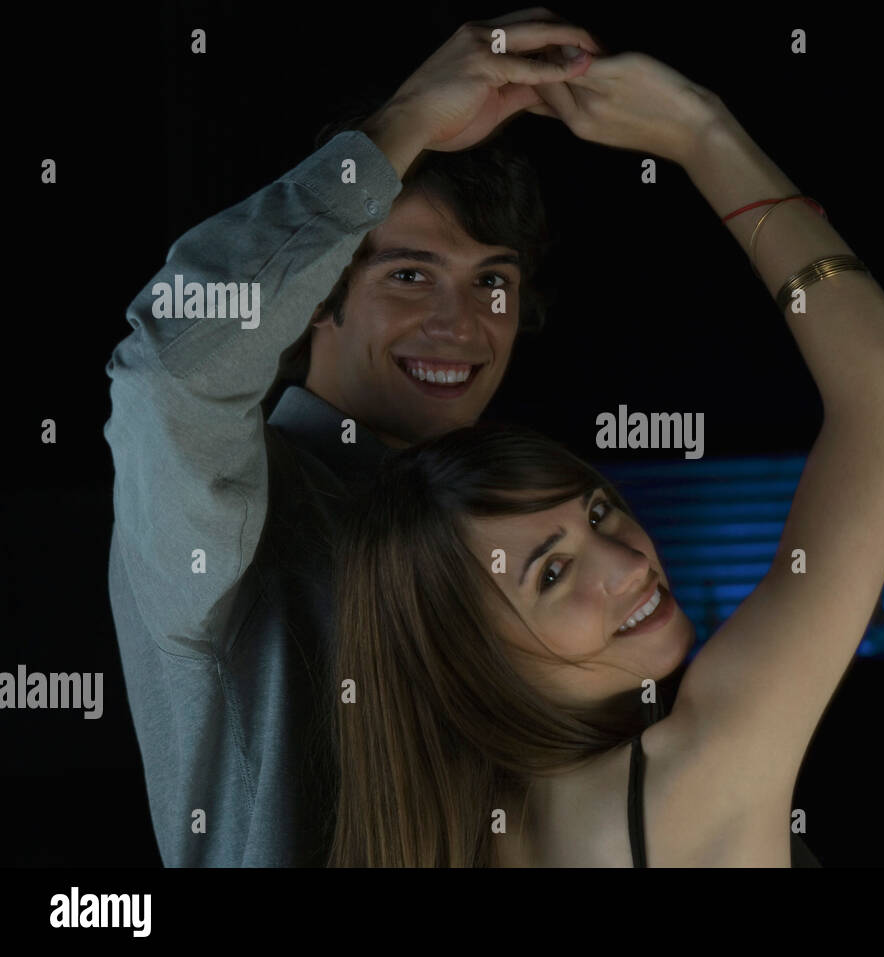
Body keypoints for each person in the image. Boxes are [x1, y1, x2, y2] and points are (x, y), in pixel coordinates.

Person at [328, 50, 884, 866]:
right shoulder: (685, 780)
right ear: (468, 665)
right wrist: (701, 130)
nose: (625, 562)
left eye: (597, 510)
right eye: (549, 573)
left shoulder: (440, 840)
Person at [102, 9, 606, 866]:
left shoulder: (521, 520)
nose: (461, 324)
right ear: (317, 295)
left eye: (493, 281)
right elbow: (167, 372)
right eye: (410, 274)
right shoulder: (238, 511)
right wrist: (400, 128)